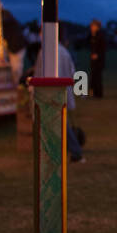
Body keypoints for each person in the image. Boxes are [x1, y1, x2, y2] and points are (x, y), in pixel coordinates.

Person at [33, 28, 85, 162]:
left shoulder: (44, 52)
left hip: (50, 94)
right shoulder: (63, 51)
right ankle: (64, 151)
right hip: (62, 93)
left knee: (61, 125)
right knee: (60, 124)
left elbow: (38, 75)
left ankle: (75, 152)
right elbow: (72, 72)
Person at [0, 0, 27, 83]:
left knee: (16, 67)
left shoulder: (5, 16)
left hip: (17, 45)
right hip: (8, 44)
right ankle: (7, 77)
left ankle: (16, 84)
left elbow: (6, 20)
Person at [89, 19, 106, 98]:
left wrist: (97, 55)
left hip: (99, 61)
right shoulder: (93, 36)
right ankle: (95, 93)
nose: (91, 27)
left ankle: (99, 94)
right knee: (94, 76)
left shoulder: (100, 36)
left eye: (93, 26)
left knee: (98, 77)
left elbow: (103, 49)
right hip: (94, 61)